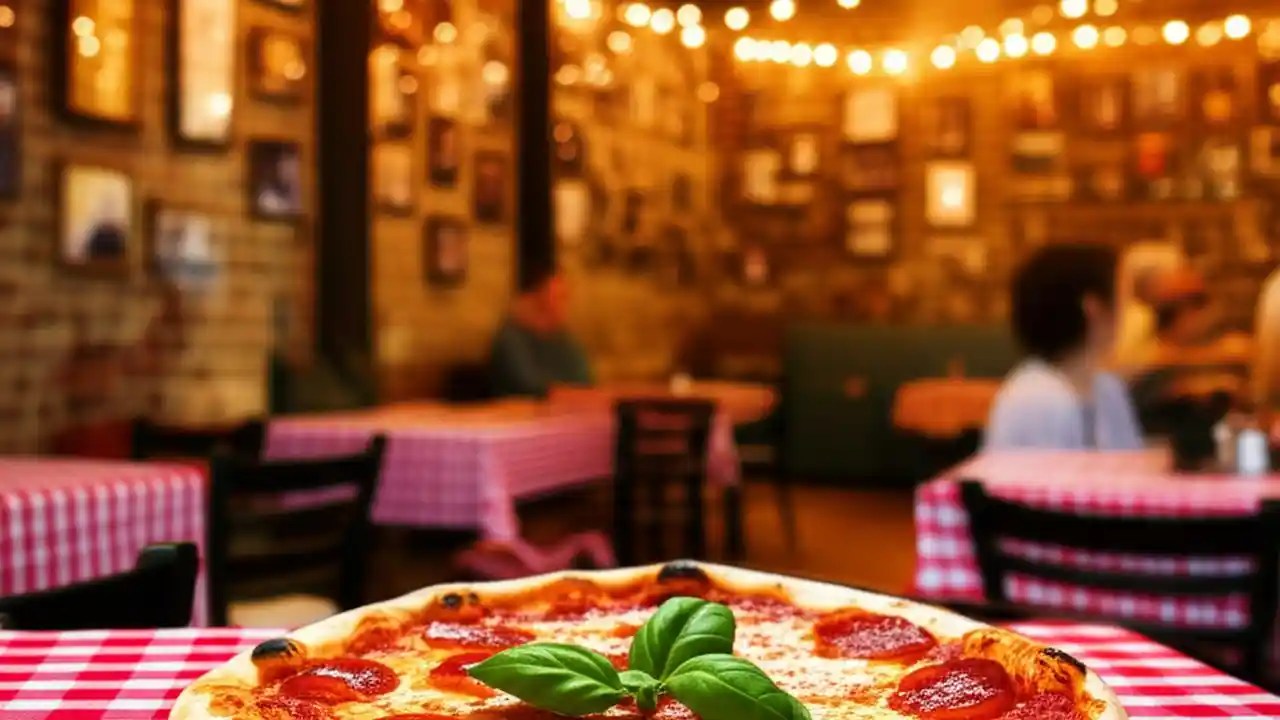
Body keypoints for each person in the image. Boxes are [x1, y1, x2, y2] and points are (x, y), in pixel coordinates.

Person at [985, 244, 1144, 451]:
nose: (1133, 313)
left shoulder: (1108, 390)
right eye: (1125, 300)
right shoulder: (1037, 400)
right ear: (1093, 310)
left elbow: (1131, 469)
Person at [489, 272, 593, 398]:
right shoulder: (511, 340)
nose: (563, 305)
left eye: (564, 297)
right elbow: (530, 386)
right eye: (558, 298)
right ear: (534, 299)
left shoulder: (564, 339)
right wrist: (566, 391)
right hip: (522, 415)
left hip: (565, 411)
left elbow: (585, 378)